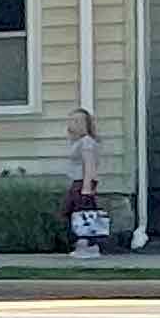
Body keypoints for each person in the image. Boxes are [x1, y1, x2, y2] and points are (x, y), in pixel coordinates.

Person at [66, 108, 107, 258]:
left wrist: (86, 187)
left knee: (83, 214)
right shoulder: (79, 142)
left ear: (86, 124)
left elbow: (89, 165)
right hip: (78, 181)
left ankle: (88, 246)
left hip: (83, 182)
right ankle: (86, 245)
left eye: (78, 121)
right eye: (72, 120)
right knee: (78, 213)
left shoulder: (86, 142)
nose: (73, 124)